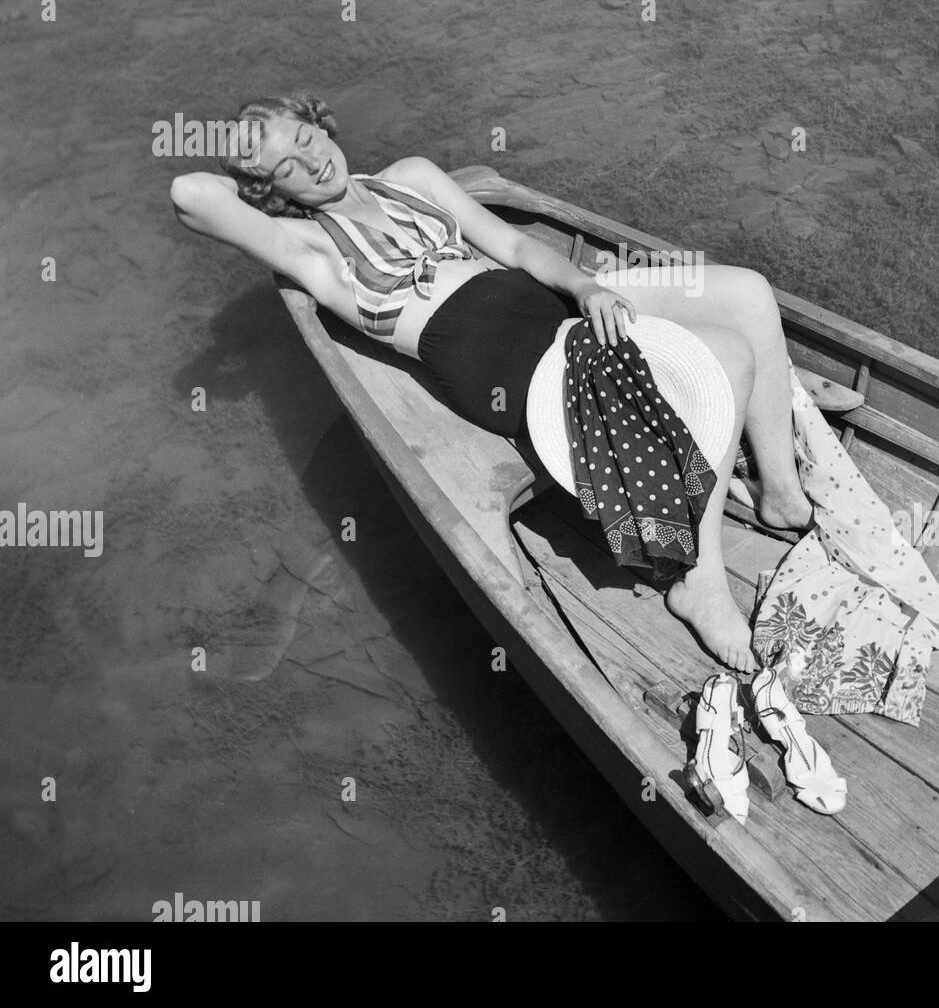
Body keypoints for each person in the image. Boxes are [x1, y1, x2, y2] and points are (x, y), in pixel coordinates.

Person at [170, 94, 814, 672]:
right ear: (273, 191)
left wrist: (586, 285)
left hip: (549, 303)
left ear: (319, 124)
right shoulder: (312, 249)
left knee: (749, 296)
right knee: (726, 355)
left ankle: (779, 492)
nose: (311, 164)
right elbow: (191, 195)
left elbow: (513, 247)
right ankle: (698, 576)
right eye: (286, 169)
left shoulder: (412, 178)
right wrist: (246, 151)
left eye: (306, 140)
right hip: (511, 366)